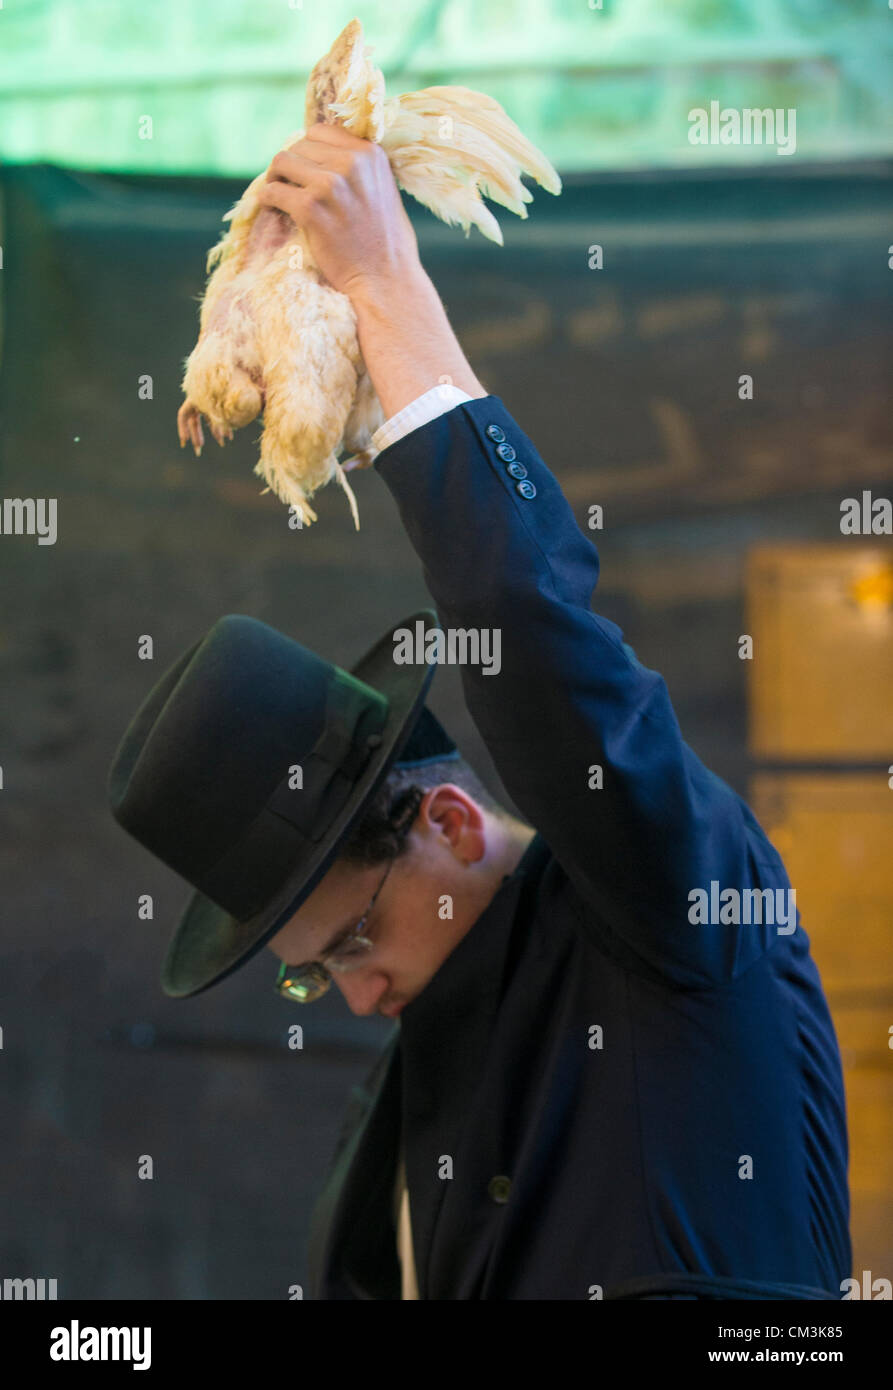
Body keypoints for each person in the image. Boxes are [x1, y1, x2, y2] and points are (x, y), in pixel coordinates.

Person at [109, 124, 850, 1301]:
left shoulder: (666, 903)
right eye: (312, 977)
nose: (354, 996)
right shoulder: (404, 1101)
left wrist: (381, 279)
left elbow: (522, 616)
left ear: (449, 824)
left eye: (350, 941)